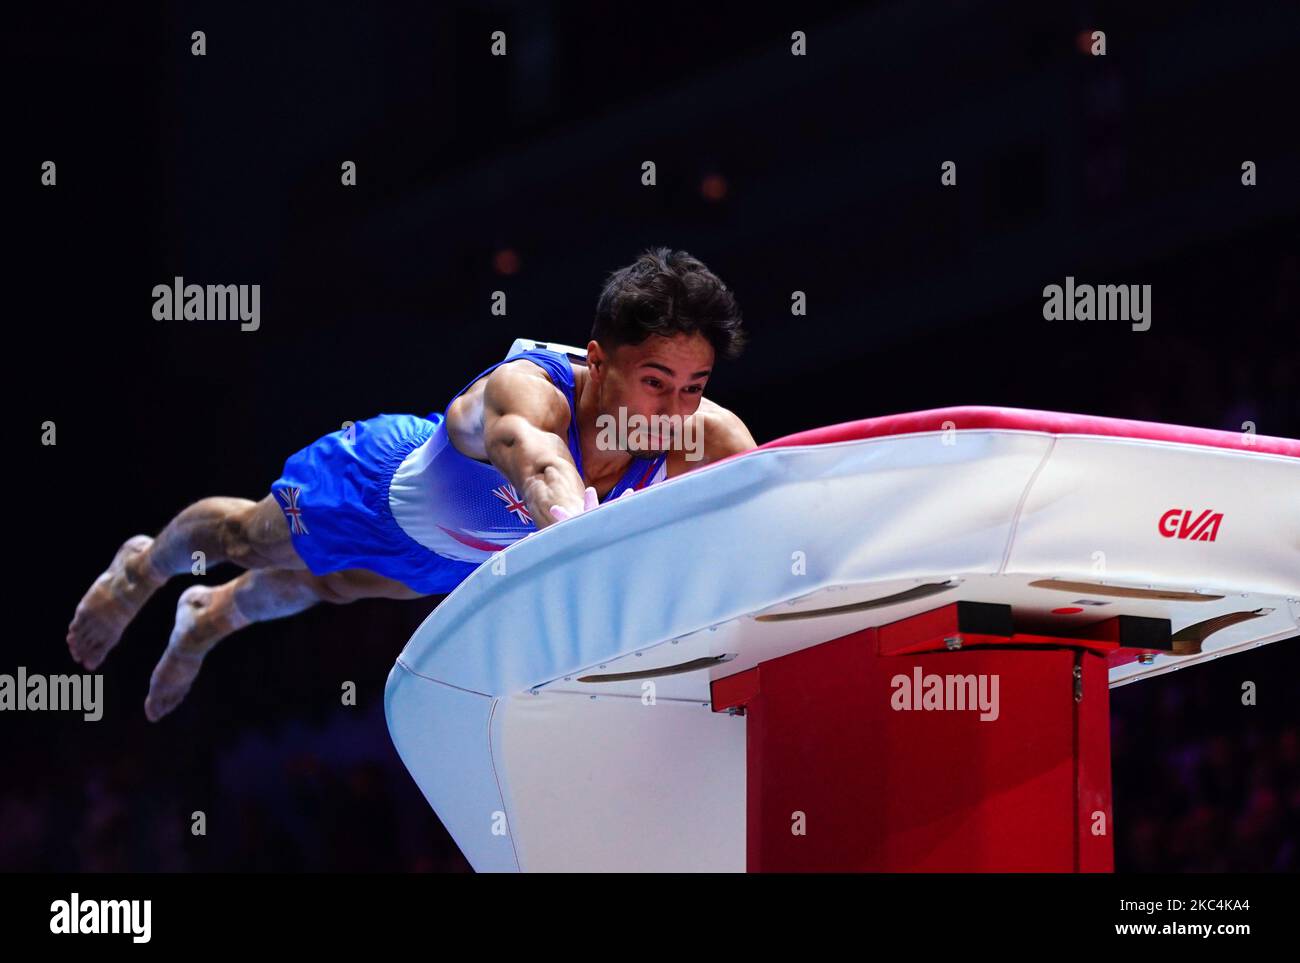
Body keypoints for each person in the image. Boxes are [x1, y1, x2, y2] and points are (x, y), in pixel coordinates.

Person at [66, 248, 757, 721]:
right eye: (656, 384)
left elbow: (762, 514)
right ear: (600, 360)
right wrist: (584, 551)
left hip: (453, 553)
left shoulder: (706, 432)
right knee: (251, 539)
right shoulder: (529, 391)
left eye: (693, 388)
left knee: (324, 586)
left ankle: (207, 617)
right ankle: (142, 567)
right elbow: (544, 468)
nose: (673, 412)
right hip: (372, 485)